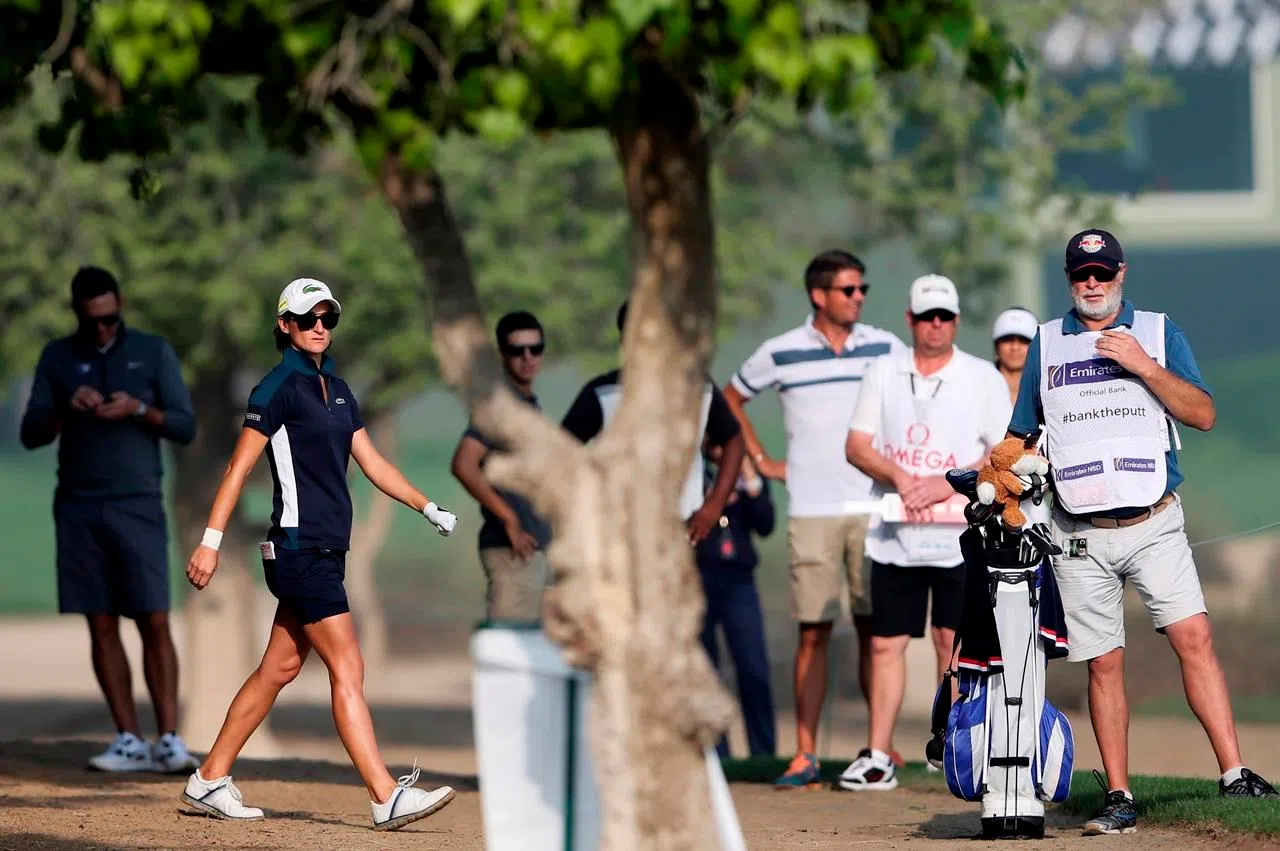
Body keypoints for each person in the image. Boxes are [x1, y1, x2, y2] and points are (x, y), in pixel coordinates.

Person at [1007, 229, 1278, 834]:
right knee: (1103, 665)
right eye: (1082, 274)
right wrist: (983, 477)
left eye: (1103, 272)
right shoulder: (1047, 344)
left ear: (1122, 273)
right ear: (1070, 280)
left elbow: (1202, 413)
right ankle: (1120, 795)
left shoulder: (1157, 332)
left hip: (1154, 520)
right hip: (1078, 530)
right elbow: (1020, 434)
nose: (1093, 284)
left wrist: (1141, 365)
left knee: (1194, 637)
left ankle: (1234, 773)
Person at [178, 278, 460, 831]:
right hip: (297, 548)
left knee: (279, 668)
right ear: (284, 325)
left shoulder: (337, 388)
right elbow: (237, 469)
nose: (319, 328)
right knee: (348, 666)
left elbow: (373, 463)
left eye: (327, 318)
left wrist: (427, 507)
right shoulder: (275, 388)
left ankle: (209, 778)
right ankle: (385, 796)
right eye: (308, 318)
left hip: (327, 549)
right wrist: (210, 543)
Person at [722, 250, 905, 788]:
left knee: (878, 636)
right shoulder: (781, 352)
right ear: (818, 295)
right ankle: (804, 755)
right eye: (849, 289)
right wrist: (759, 460)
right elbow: (729, 398)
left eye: (862, 288)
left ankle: (880, 748)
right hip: (812, 509)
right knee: (812, 635)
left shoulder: (885, 346)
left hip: (874, 507)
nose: (859, 297)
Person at [19, 266, 200, 774]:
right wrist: (65, 409)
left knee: (153, 617)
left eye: (110, 318)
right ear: (77, 311)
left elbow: (185, 426)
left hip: (137, 503)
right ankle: (127, 738)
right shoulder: (57, 357)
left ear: (119, 304)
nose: (102, 329)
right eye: (91, 320)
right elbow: (32, 432)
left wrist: (139, 409)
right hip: (78, 505)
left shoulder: (153, 350)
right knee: (99, 619)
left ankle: (169, 740)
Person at [839, 273, 1011, 791]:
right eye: (927, 316)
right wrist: (903, 478)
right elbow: (857, 444)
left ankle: (951, 747)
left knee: (949, 643)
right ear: (911, 320)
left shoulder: (981, 377)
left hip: (960, 533)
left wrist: (945, 482)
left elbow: (1004, 451)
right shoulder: (883, 371)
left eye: (945, 317)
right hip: (895, 534)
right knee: (886, 645)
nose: (936, 325)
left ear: (955, 321)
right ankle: (878, 756)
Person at [560, 301, 746, 546]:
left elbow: (734, 440)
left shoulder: (698, 389)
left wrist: (713, 507)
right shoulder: (603, 393)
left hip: (681, 532)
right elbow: (559, 453)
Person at [451, 311, 552, 622]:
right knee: (509, 648)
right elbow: (464, 464)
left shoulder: (527, 405)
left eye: (535, 349)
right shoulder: (499, 407)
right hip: (512, 551)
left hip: (533, 549)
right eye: (517, 350)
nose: (527, 357)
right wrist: (509, 517)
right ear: (502, 355)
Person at [695, 442, 777, 760]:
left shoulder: (748, 476)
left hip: (740, 579)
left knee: (753, 667)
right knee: (706, 668)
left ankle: (764, 753)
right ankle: (717, 752)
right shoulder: (692, 473)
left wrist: (747, 475)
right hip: (698, 575)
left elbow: (766, 523)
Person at [992, 306, 1039, 406]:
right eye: (1007, 339)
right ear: (996, 346)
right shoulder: (979, 384)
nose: (1015, 347)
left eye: (1024, 341)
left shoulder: (1049, 390)